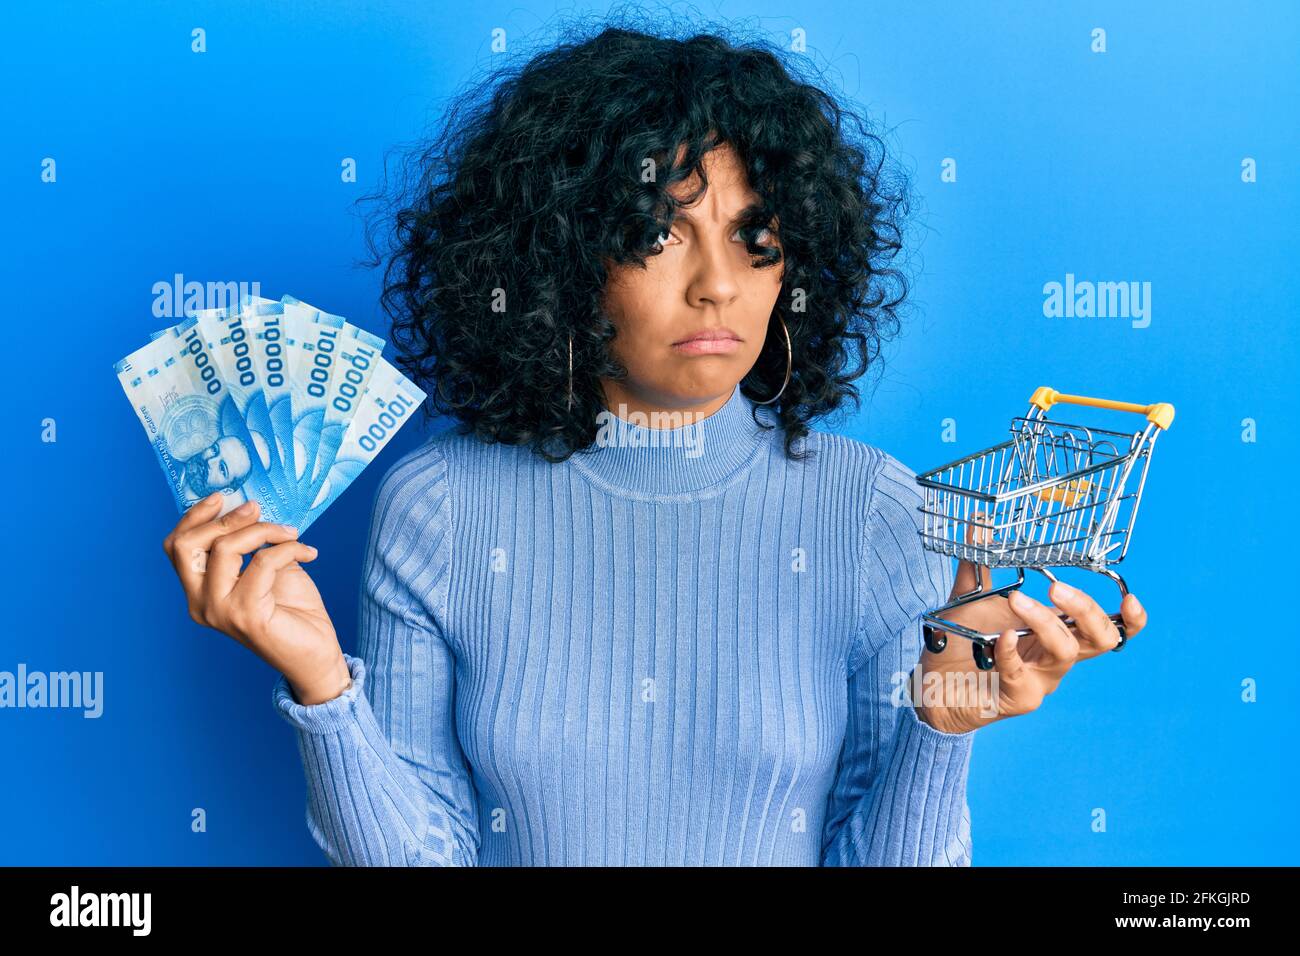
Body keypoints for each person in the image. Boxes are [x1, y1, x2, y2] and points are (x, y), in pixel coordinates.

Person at [160, 23, 1147, 866]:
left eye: (755, 237)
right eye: (660, 235)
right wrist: (325, 687)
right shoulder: (439, 503)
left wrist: (943, 725)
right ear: (557, 259)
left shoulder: (874, 506)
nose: (717, 283)